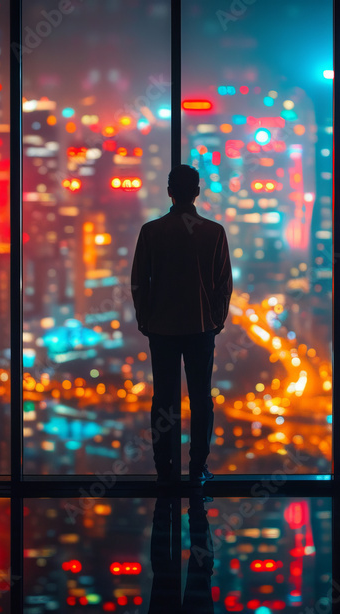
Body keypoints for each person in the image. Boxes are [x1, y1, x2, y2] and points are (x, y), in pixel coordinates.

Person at [131, 164, 233, 486]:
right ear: (198, 192)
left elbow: (138, 282)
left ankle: (165, 469)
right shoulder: (214, 232)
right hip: (200, 327)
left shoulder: (151, 231)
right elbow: (223, 284)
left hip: (161, 328)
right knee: (201, 398)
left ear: (169, 191)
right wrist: (216, 321)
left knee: (164, 399)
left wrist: (145, 318)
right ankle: (198, 468)